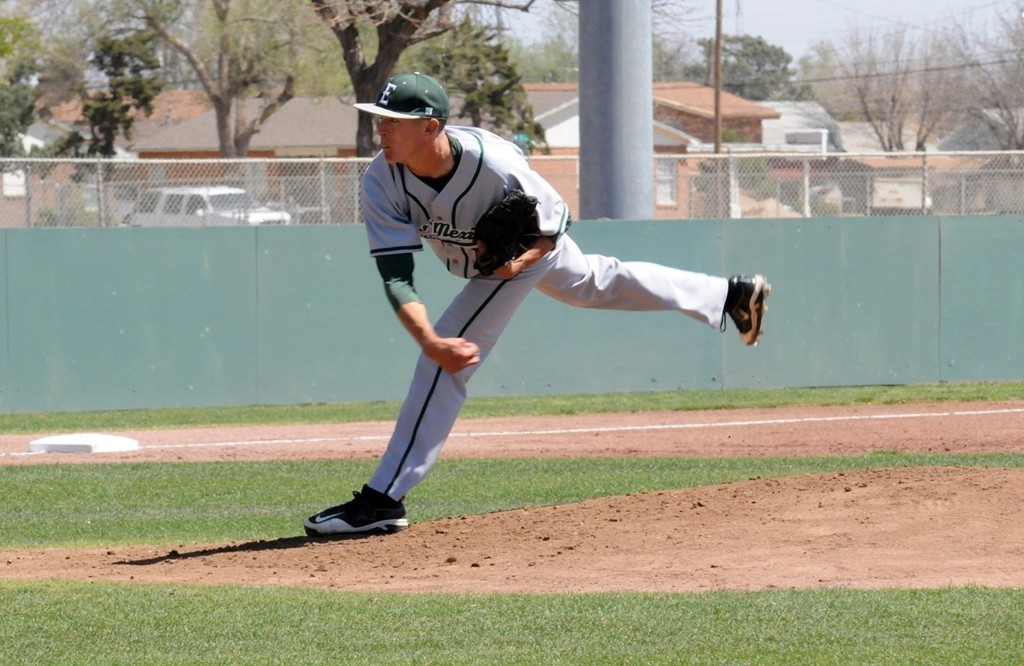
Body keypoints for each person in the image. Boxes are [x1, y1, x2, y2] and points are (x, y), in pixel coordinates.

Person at [304, 72, 771, 536]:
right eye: (379, 118)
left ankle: (384, 499)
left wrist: (519, 262)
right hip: (492, 264)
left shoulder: (497, 166)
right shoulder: (381, 180)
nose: (380, 129)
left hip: (526, 255)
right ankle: (729, 294)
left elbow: (553, 223)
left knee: (444, 366)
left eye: (394, 120)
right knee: (593, 282)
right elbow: (396, 276)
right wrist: (427, 338)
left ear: (430, 127)